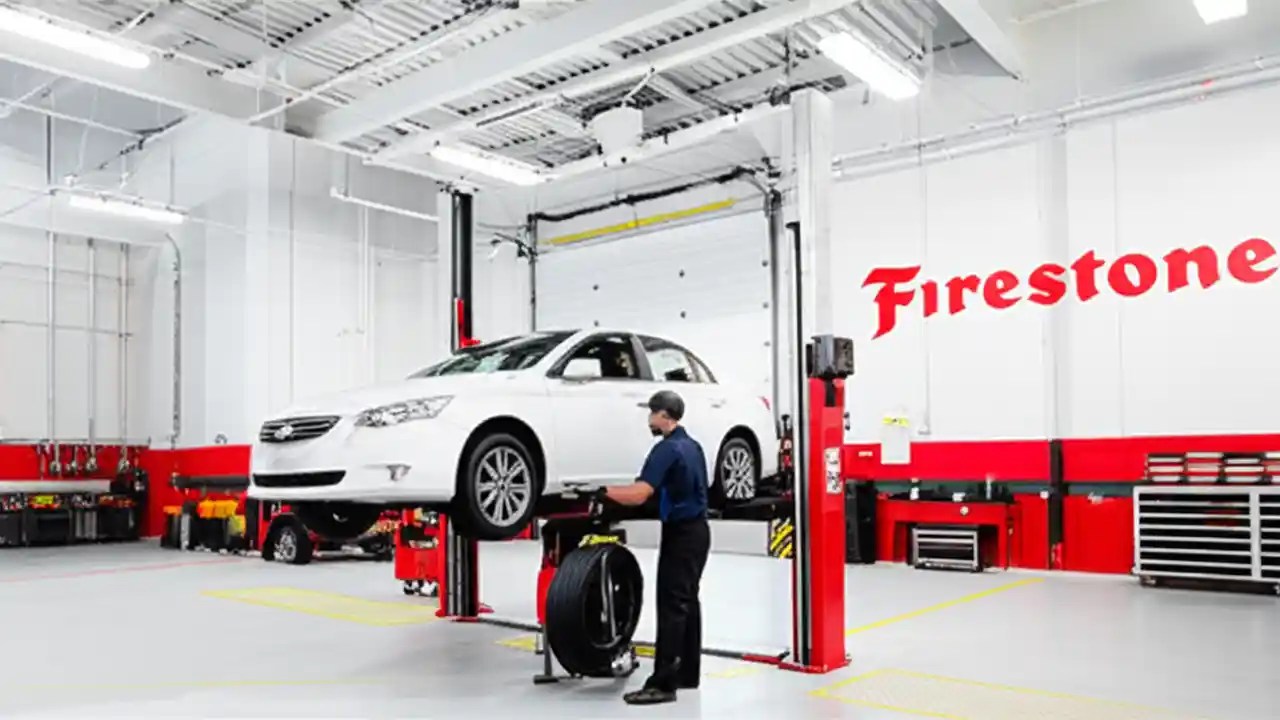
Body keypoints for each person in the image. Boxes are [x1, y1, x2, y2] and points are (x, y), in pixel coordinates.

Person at [603, 389, 710, 706]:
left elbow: (640, 493)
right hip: (699, 532)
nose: (649, 419)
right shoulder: (693, 446)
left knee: (671, 605)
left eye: (652, 413)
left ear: (664, 416)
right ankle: (687, 673)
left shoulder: (666, 449)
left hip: (680, 534)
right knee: (688, 602)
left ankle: (663, 684)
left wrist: (601, 492)